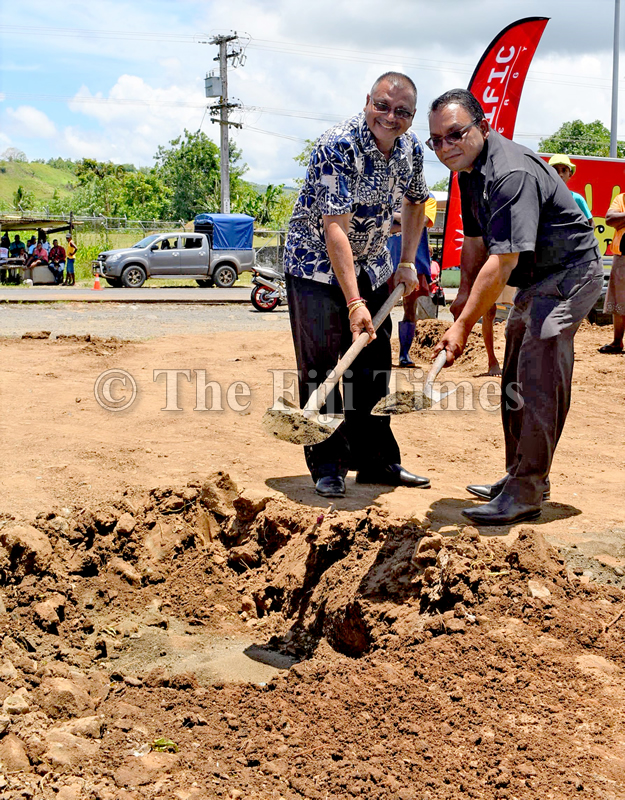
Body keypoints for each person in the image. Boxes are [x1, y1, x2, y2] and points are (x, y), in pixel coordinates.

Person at [427, 89, 602, 525]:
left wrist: (465, 326)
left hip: (570, 272)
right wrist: (463, 296)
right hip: (538, 278)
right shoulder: (468, 172)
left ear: (482, 127)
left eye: (455, 135)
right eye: (436, 140)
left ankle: (527, 490)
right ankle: (519, 475)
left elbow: (503, 260)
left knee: (539, 366)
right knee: (515, 372)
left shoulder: (511, 173)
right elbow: (474, 240)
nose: (446, 147)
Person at [284, 71, 431, 498]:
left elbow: (417, 200)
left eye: (402, 111)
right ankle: (327, 463)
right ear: (368, 100)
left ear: (412, 116)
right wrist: (354, 303)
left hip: (372, 259)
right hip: (315, 263)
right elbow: (335, 229)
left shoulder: (409, 149)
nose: (390, 117)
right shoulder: (339, 145)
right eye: (382, 105)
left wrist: (405, 262)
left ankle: (377, 462)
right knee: (325, 364)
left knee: (375, 364)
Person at [388, 192, 438, 365]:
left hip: (413, 262)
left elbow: (423, 220)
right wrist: (409, 219)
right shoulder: (388, 192)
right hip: (386, 260)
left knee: (410, 308)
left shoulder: (428, 197)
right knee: (382, 306)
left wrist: (392, 217)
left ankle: (404, 354)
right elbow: (415, 220)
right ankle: (381, 353)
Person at [598, 192, 625, 354]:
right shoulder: (621, 199)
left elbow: (617, 220)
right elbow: (610, 219)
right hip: (622, 257)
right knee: (618, 302)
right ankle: (617, 342)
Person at [547, 154, 594, 223]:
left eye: (564, 170)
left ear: (570, 174)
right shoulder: (542, 199)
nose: (560, 174)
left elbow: (591, 224)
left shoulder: (577, 199)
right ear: (548, 173)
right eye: (555, 170)